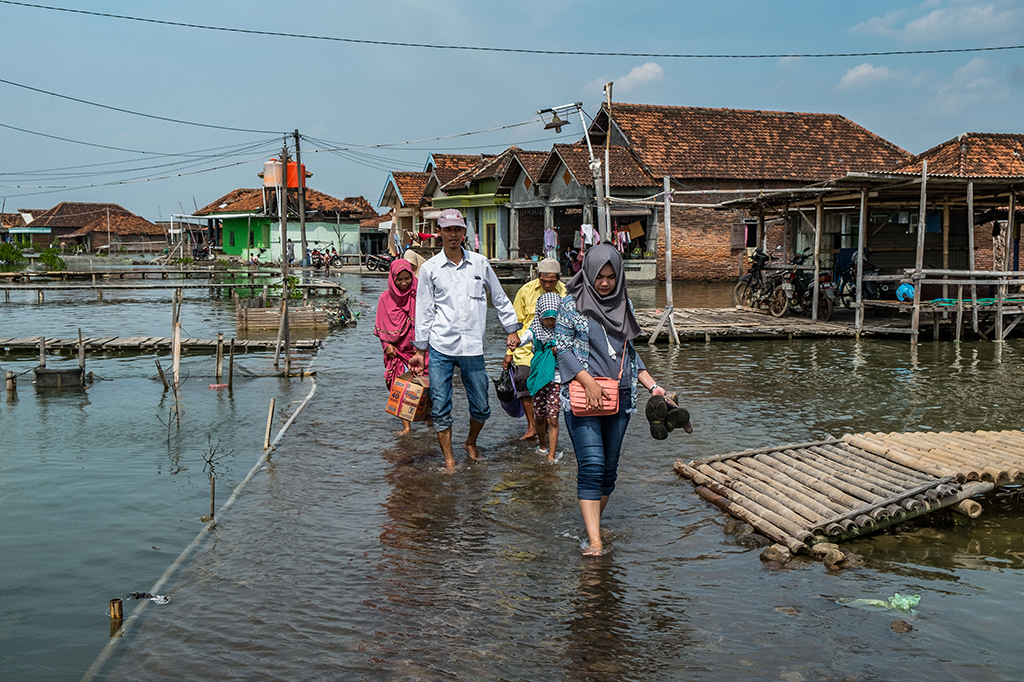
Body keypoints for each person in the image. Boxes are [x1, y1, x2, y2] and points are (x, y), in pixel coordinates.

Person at [555, 242, 691, 556]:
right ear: (587, 272)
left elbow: (629, 354)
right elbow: (561, 348)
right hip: (583, 397)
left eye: (610, 276)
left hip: (621, 395)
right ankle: (595, 541)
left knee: (609, 470)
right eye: (599, 276)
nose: (604, 282)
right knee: (591, 466)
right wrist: (587, 381)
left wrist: (654, 387)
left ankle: (593, 523)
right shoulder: (570, 303)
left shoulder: (623, 304)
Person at [410, 208, 522, 471]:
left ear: (464, 233)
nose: (452, 234)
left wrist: (511, 328)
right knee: (440, 405)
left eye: (457, 230)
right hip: (440, 346)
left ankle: (470, 442)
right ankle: (449, 461)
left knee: (482, 405)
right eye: (447, 229)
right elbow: (424, 309)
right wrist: (420, 349)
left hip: (472, 346)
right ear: (439, 233)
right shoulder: (430, 269)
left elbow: (499, 297)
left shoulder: (480, 263)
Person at [507, 258, 566, 442]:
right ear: (537, 276)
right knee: (523, 379)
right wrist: (509, 353)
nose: (547, 284)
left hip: (555, 350)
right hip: (528, 348)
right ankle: (532, 424)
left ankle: (546, 424)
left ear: (558, 278)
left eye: (552, 281)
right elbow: (515, 324)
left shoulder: (566, 293)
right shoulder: (526, 291)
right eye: (543, 280)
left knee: (551, 386)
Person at [505, 292, 563, 462]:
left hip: (556, 380)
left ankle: (551, 455)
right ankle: (543, 445)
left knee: (553, 416)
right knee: (539, 415)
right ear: (540, 316)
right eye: (547, 319)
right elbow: (522, 340)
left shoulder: (563, 332)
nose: (551, 322)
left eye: (554, 318)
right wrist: (514, 343)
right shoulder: (535, 331)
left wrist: (559, 349)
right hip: (538, 379)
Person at [374, 259, 427, 434]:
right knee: (401, 389)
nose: (404, 283)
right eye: (400, 279)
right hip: (398, 353)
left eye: (407, 278)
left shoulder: (420, 295)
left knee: (428, 388)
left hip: (421, 350)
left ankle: (431, 421)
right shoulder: (385, 299)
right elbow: (381, 328)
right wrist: (386, 345)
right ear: (392, 279)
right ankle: (406, 427)